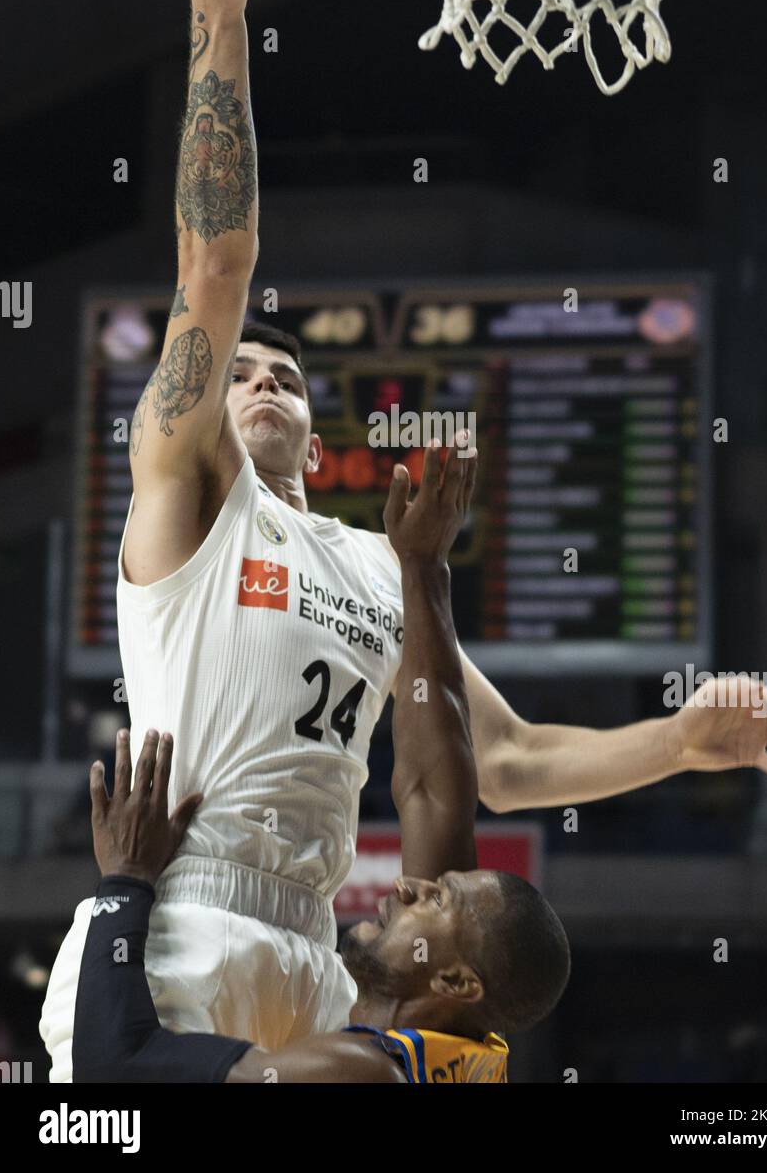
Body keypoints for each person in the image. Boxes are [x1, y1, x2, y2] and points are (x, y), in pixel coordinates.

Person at [41, 0, 767, 1080]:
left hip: (320, 945)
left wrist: (678, 742)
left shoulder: (366, 561)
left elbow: (503, 759)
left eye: (286, 377)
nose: (261, 380)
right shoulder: (190, 496)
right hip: (181, 907)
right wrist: (220, 13)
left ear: (316, 427)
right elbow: (215, 263)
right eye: (240, 369)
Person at [73, 445, 569, 1082]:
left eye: (437, 897)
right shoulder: (466, 1060)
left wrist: (124, 883)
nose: (410, 884)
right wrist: (421, 569)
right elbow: (433, 786)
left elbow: (113, 1076)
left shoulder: (361, 1073)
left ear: (453, 979)